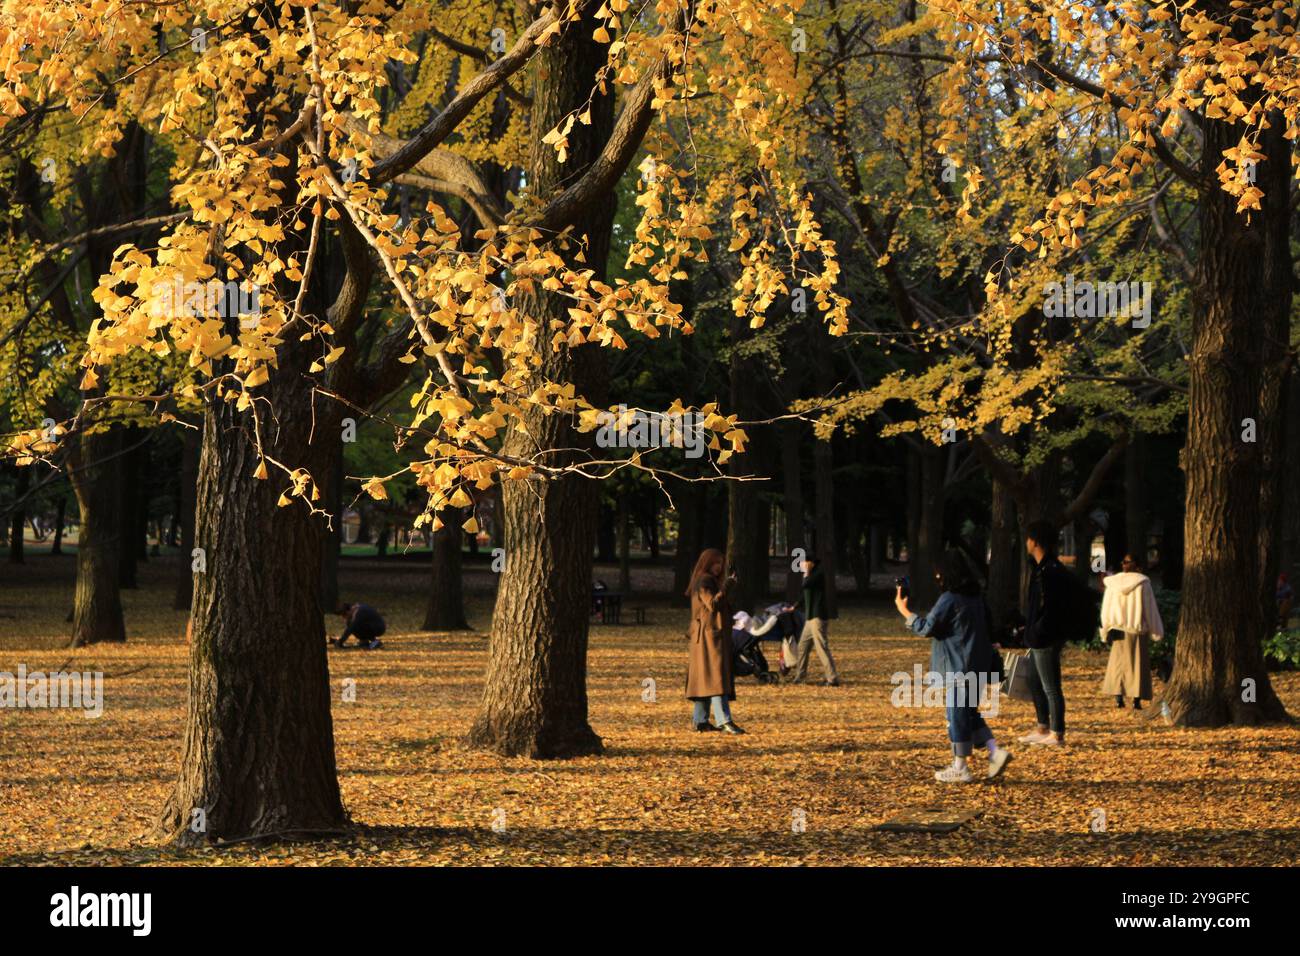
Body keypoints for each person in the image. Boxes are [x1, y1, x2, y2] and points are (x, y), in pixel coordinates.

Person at [895, 550, 1013, 783]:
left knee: (956, 714)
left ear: (945, 573)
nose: (937, 577)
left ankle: (960, 767)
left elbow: (928, 627)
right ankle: (994, 752)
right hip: (979, 664)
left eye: (938, 573)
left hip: (959, 667)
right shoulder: (976, 596)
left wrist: (904, 610)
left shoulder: (950, 598)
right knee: (969, 713)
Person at [1017, 520, 1070, 746]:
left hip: (1045, 637)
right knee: (1033, 680)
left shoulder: (1050, 571)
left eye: (1029, 539)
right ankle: (1043, 727)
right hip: (1037, 635)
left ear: (1036, 541)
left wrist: (1038, 630)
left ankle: (1057, 733)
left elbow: (1051, 607)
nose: (1026, 543)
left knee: (1050, 685)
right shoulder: (1041, 568)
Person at [685, 548, 744, 734]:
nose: (719, 567)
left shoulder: (706, 580)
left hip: (708, 636)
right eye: (716, 563)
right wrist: (727, 585)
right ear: (708, 563)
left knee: (706, 677)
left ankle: (700, 721)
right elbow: (712, 604)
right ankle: (723, 720)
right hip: (708, 638)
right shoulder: (704, 580)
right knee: (716, 677)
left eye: (721, 563)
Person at [1099, 554, 1164, 709]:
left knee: (1118, 664)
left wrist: (1104, 629)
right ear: (1138, 566)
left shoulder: (1112, 584)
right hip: (1135, 628)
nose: (1123, 563)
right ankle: (1136, 700)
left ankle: (1119, 698)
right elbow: (1150, 609)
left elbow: (1106, 609)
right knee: (1137, 664)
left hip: (1117, 628)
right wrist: (1157, 631)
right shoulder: (1143, 583)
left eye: (1125, 561)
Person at [786, 556, 840, 686]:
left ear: (811, 563)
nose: (802, 564)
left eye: (804, 562)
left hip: (818, 617)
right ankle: (800, 677)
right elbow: (805, 593)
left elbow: (806, 584)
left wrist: (807, 572)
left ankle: (832, 679)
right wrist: (795, 606)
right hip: (810, 618)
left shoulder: (817, 575)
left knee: (821, 647)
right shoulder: (810, 576)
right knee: (802, 647)